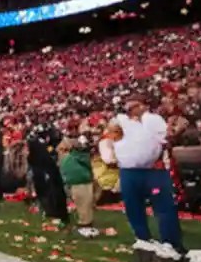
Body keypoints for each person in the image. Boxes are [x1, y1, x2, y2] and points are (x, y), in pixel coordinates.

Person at [111, 94, 182, 249]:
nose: (131, 109)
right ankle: (142, 238)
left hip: (153, 170)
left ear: (144, 106)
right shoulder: (120, 121)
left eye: (135, 105)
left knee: (163, 206)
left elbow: (166, 139)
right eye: (129, 106)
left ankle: (171, 242)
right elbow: (112, 138)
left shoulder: (153, 120)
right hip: (128, 171)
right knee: (133, 206)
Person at [59, 135, 97, 237]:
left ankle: (85, 224)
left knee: (83, 204)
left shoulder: (69, 158)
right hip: (82, 181)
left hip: (75, 183)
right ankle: (85, 226)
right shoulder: (82, 157)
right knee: (85, 204)